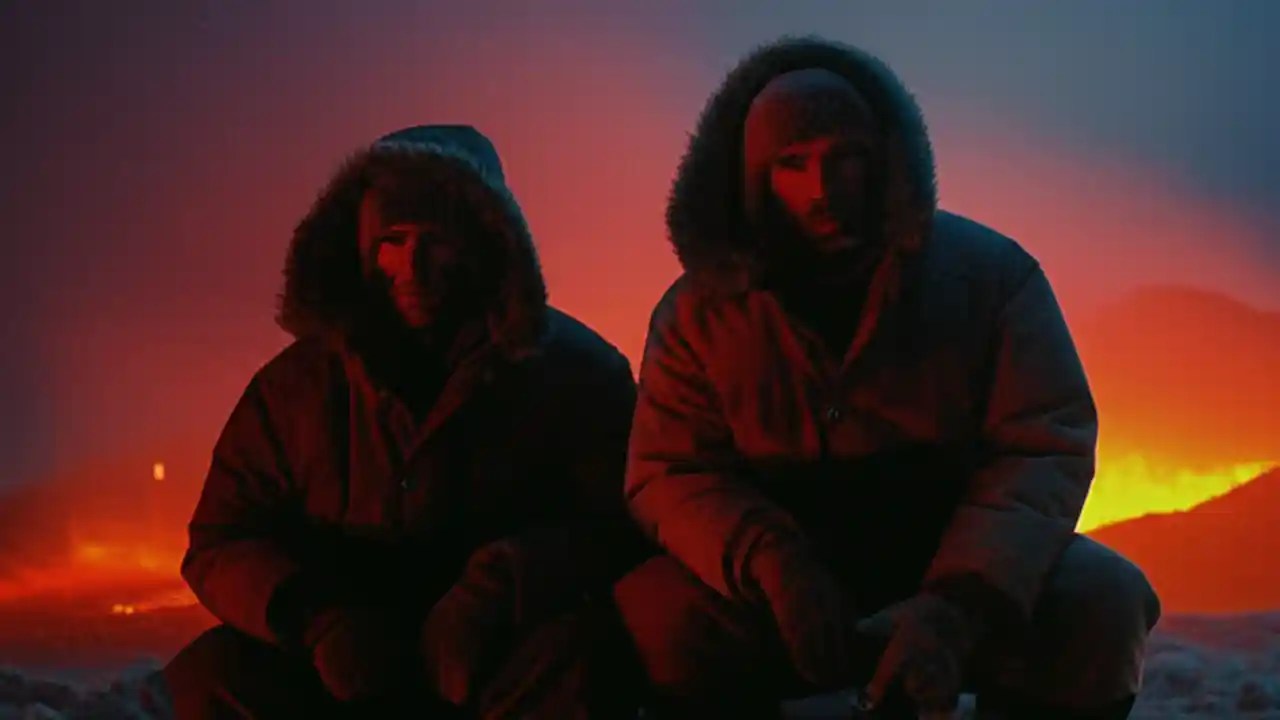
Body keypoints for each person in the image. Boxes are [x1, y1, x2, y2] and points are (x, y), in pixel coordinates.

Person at [614, 36, 1161, 719]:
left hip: (955, 559)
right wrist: (769, 561)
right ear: (754, 179)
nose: (823, 189)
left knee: (1104, 600)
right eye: (793, 164)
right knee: (657, 618)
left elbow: (1042, 444)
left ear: (884, 163)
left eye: (846, 159)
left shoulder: (991, 279)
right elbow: (669, 470)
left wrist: (959, 605)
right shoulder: (698, 315)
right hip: (777, 588)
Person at [163, 124, 644, 719]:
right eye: (392, 239)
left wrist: (503, 584)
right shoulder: (293, 389)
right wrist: (316, 619)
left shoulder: (577, 372)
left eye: (435, 240)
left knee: (588, 658)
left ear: (483, 242)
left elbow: (625, 519)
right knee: (212, 677)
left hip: (506, 654)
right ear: (362, 249)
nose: (412, 264)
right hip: (340, 667)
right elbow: (222, 538)